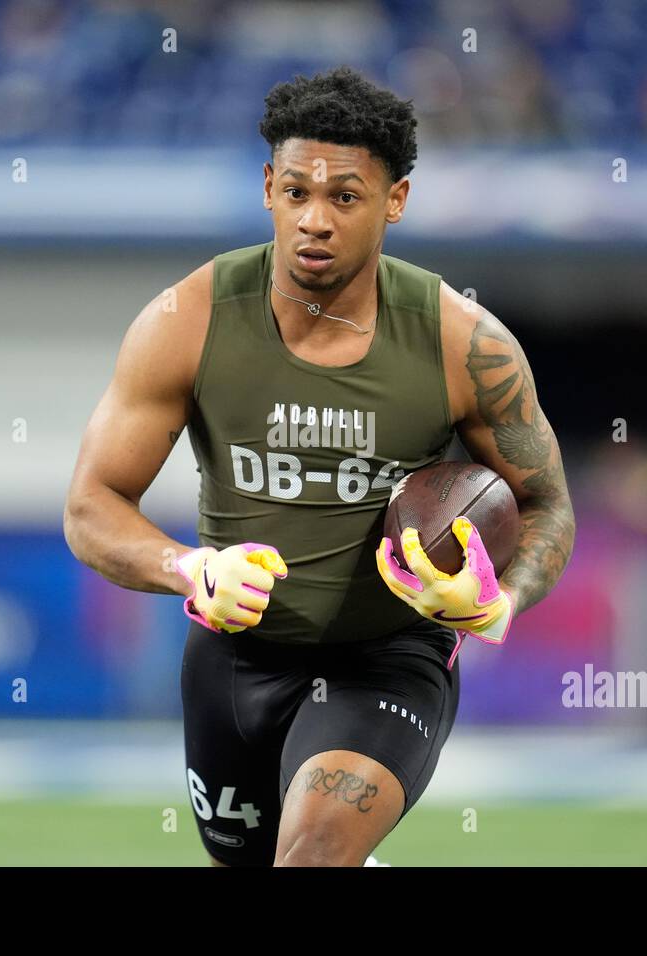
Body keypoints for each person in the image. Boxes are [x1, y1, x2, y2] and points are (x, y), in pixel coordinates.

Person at [64, 67, 575, 867]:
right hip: (235, 657)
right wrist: (189, 568)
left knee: (312, 857)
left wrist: (496, 603)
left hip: (389, 657)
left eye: (345, 198)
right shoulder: (186, 321)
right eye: (297, 191)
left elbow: (547, 504)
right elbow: (91, 505)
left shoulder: (463, 343)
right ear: (268, 186)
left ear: (395, 201)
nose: (315, 220)